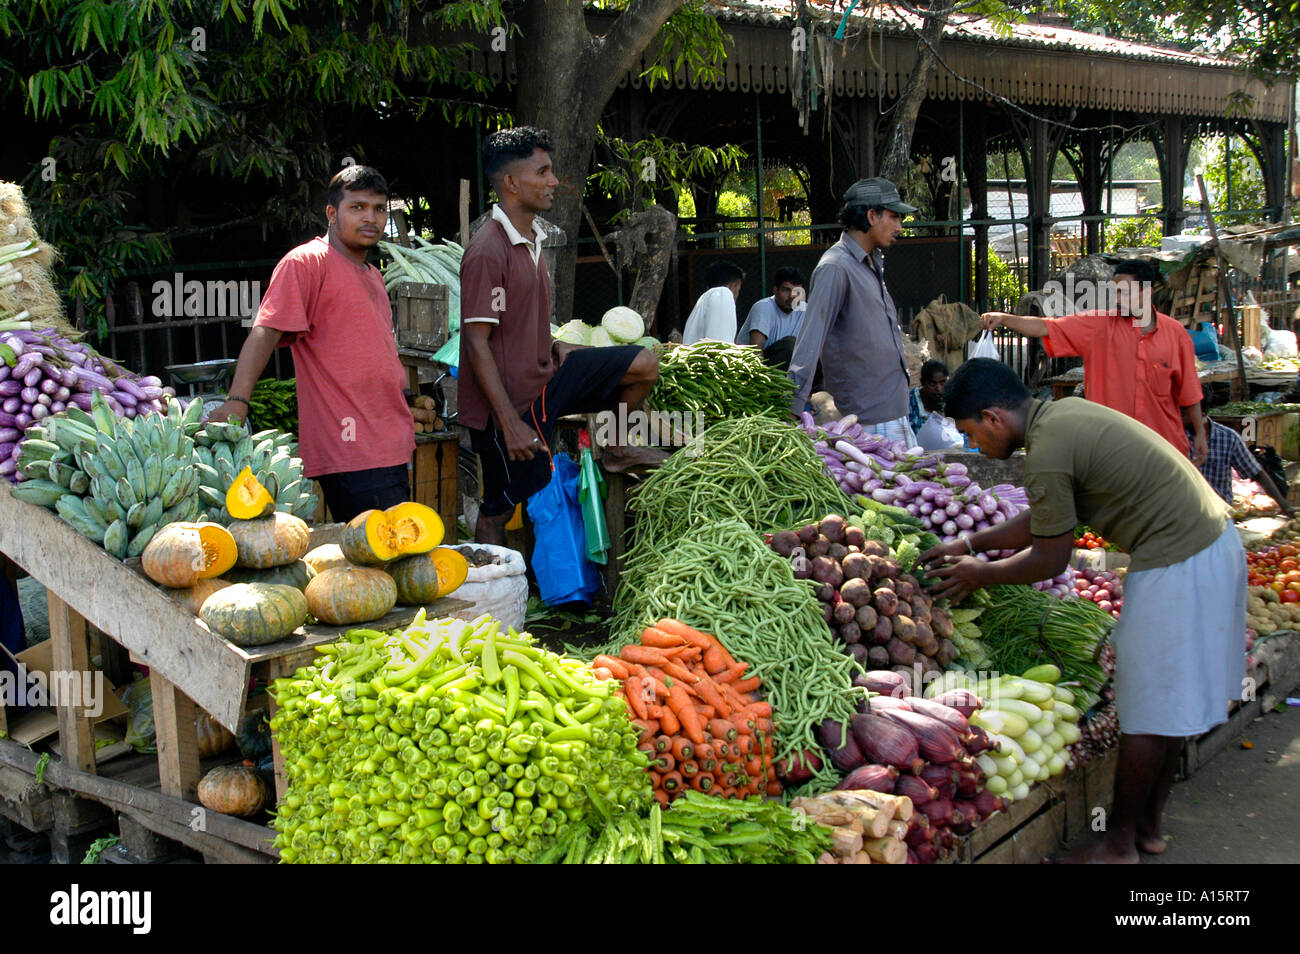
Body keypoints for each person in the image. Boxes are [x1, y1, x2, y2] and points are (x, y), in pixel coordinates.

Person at [922, 358, 1245, 864]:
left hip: (1179, 561)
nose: (974, 446)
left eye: (971, 435)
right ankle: (1148, 828)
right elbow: (1045, 517)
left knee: (1144, 710)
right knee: (1167, 702)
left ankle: (1117, 846)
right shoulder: (1064, 416)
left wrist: (977, 573)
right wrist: (971, 541)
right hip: (1211, 546)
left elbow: (1051, 555)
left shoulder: (1047, 449)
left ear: (992, 418)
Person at [459, 126, 663, 546]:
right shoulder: (487, 250)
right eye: (543, 172)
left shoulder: (533, 240)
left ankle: (619, 447)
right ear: (511, 183)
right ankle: (496, 601)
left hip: (545, 379)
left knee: (643, 364)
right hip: (508, 405)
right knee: (498, 509)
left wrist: (555, 343)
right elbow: (477, 343)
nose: (553, 181)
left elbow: (519, 320)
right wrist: (511, 423)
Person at [210, 165, 415, 523]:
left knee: (391, 563)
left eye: (379, 208)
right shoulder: (306, 262)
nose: (371, 217)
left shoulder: (373, 275)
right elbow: (266, 330)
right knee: (382, 559)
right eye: (358, 207)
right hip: (352, 446)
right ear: (332, 214)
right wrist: (237, 400)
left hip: (389, 442)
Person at [981, 259, 1210, 465]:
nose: (1119, 299)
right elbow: (1046, 326)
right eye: (1116, 293)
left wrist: (1199, 432)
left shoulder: (1175, 334)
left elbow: (1189, 391)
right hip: (1111, 450)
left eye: (1125, 293)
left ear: (1147, 292)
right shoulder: (1098, 325)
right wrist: (1004, 318)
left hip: (1164, 451)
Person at [789, 177, 918, 444]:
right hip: (869, 422)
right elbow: (810, 340)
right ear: (872, 215)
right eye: (894, 217)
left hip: (893, 411)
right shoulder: (836, 267)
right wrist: (792, 406)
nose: (899, 227)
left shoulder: (870, 262)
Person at [1193, 397, 1293, 515]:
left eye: (1184, 410)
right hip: (1184, 513)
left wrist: (1285, 506)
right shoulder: (1174, 437)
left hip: (1219, 513)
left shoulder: (1228, 437)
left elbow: (1256, 472)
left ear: (1201, 412)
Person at [736, 266, 806, 369]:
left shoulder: (806, 310)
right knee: (791, 344)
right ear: (775, 290)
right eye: (786, 290)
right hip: (752, 368)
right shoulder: (764, 307)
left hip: (787, 368)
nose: (792, 296)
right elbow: (755, 352)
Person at [682, 260, 744, 345]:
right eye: (738, 290)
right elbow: (720, 347)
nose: (737, 295)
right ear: (733, 286)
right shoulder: (722, 293)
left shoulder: (704, 300)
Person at [908, 359, 948, 434]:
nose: (939, 389)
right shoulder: (910, 402)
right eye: (933, 384)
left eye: (942, 383)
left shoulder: (951, 399)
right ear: (922, 382)